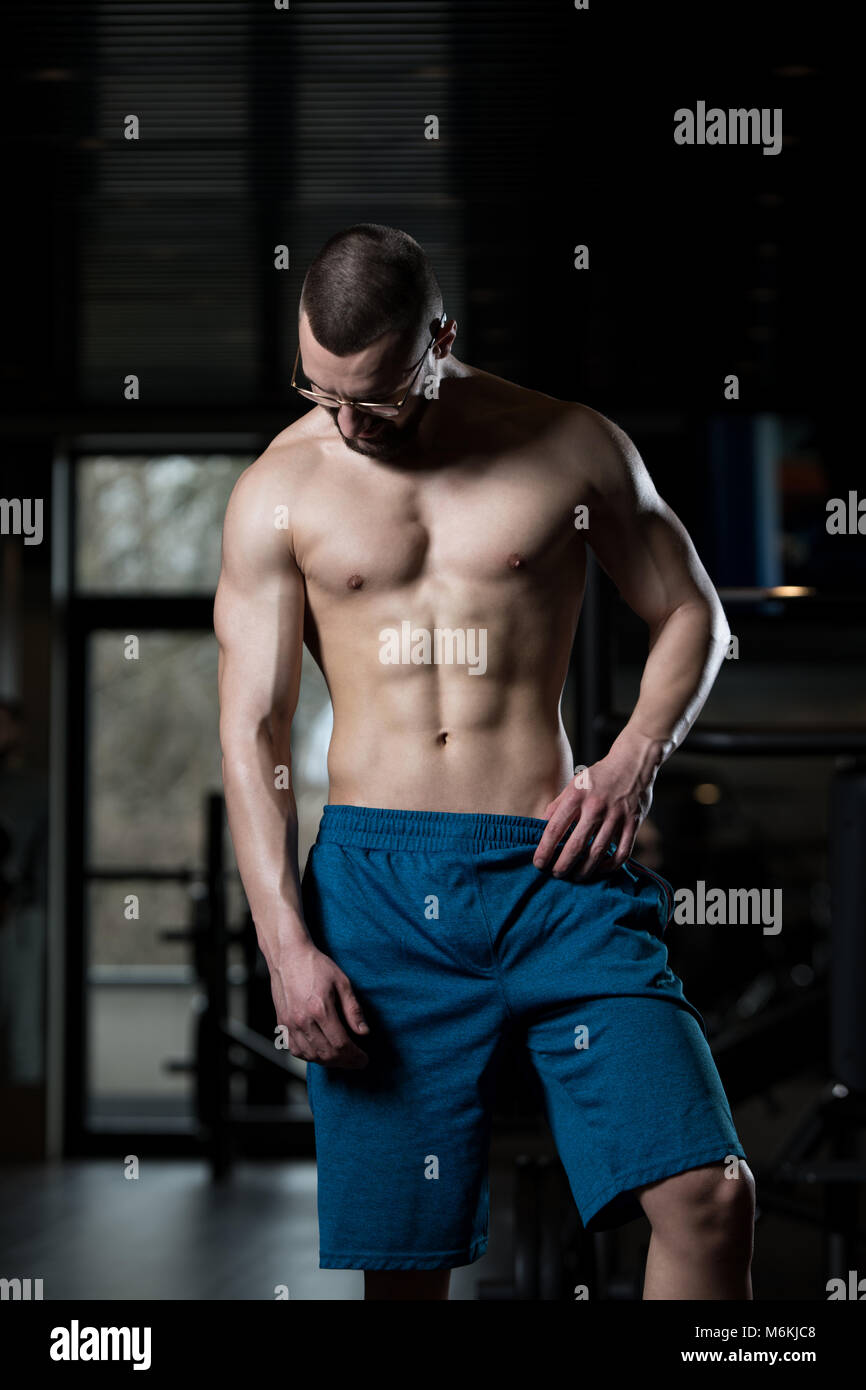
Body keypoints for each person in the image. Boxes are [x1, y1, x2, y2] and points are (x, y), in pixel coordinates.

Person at [214, 223, 755, 1301]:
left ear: (441, 338)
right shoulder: (280, 489)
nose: (347, 424)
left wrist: (633, 756)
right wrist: (283, 943)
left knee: (709, 1196)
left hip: (557, 872)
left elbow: (692, 612)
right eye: (320, 392)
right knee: (406, 1265)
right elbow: (253, 729)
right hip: (376, 888)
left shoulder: (566, 446)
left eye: (374, 397)